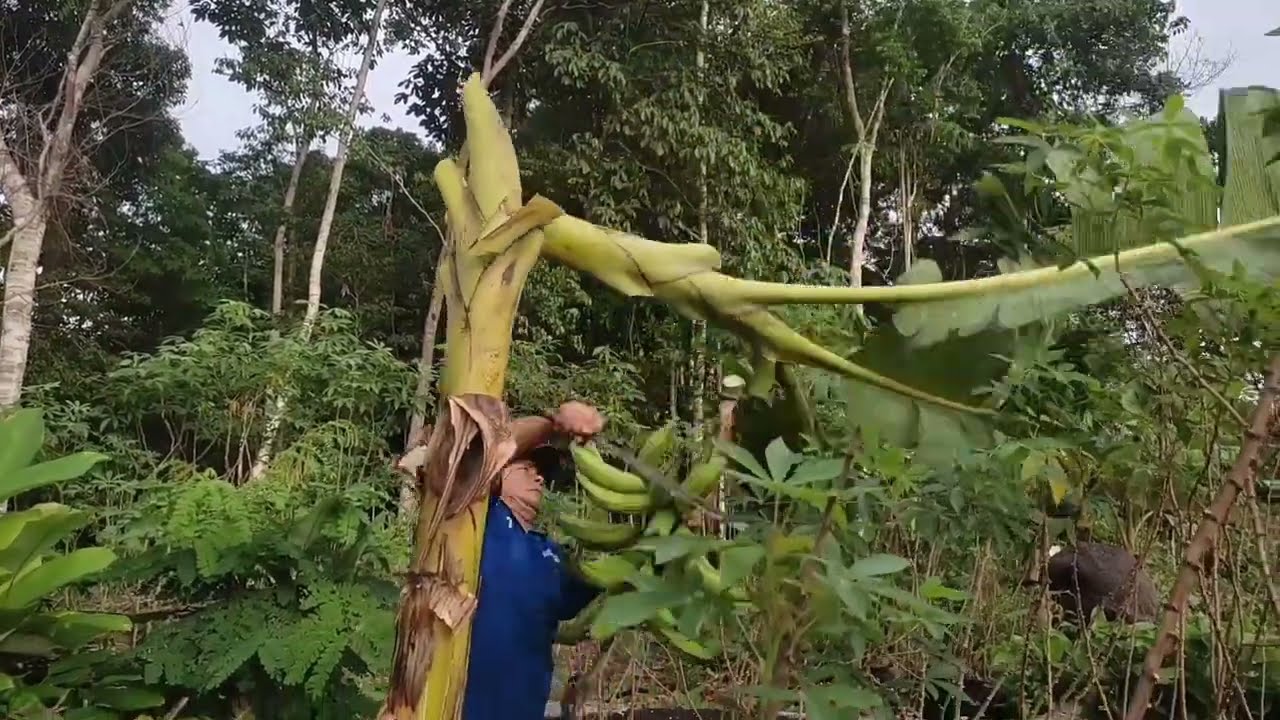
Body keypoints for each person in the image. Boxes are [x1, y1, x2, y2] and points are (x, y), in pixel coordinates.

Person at [461, 400, 606, 720]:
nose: (539, 478)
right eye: (527, 469)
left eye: (540, 474)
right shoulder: (479, 522)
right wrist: (551, 425)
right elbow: (484, 452)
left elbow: (593, 586)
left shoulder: (551, 554)